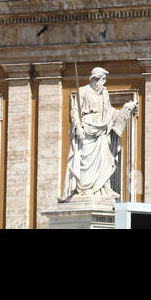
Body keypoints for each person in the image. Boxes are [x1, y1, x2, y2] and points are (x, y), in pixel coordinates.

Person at [60, 67, 138, 200]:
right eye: (103, 79)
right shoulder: (83, 91)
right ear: (95, 79)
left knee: (104, 158)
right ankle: (85, 189)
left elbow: (109, 111)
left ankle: (101, 188)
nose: (104, 82)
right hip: (87, 129)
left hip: (102, 130)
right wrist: (78, 126)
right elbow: (74, 111)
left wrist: (125, 109)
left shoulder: (104, 93)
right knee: (86, 160)